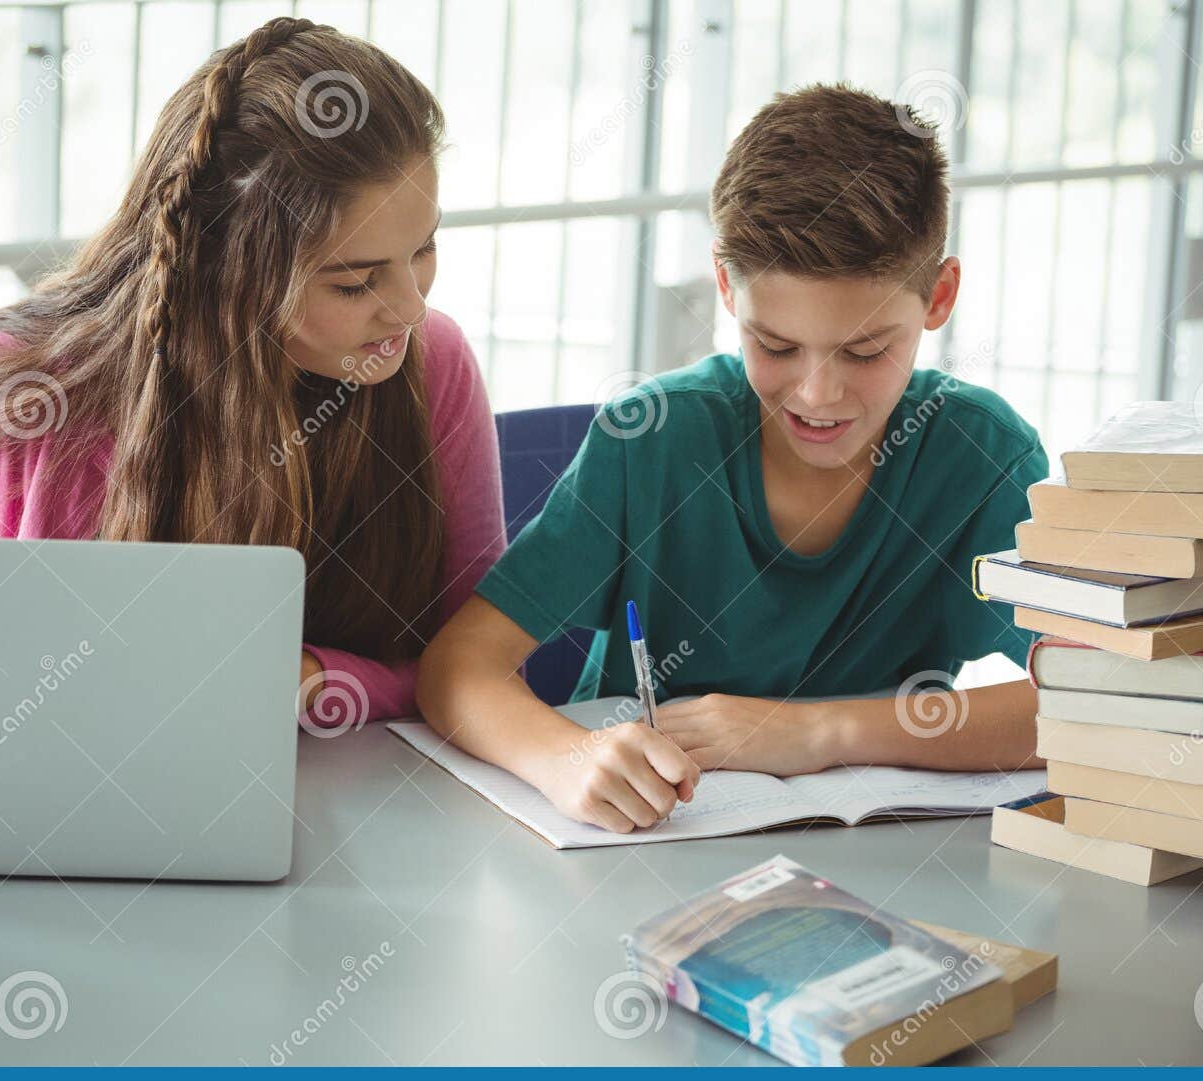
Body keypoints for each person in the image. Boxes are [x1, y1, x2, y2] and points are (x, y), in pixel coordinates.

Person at [417, 84, 1049, 834]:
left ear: (939, 296)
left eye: (867, 349)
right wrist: (566, 758)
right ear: (726, 284)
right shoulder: (650, 442)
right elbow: (456, 667)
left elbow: (1100, 703)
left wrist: (820, 732)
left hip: (873, 870)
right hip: (632, 859)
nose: (818, 393)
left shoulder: (982, 457)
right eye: (775, 345)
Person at [0, 17, 504, 731]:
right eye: (354, 282)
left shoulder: (436, 364)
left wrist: (320, 681)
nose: (409, 307)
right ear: (227, 271)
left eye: (423, 250)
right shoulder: (12, 387)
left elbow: (478, 665)